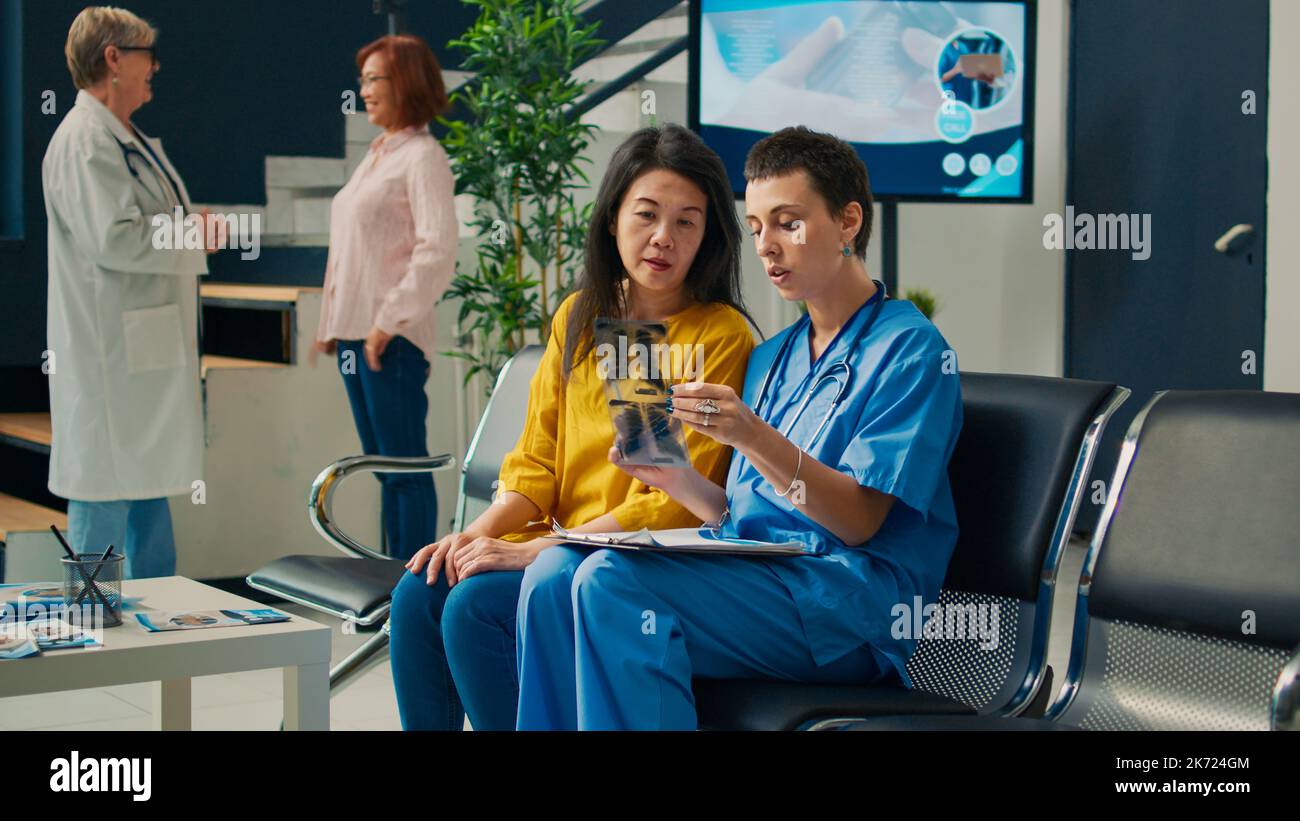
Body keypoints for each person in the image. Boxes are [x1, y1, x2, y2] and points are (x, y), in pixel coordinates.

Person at [513, 126, 963, 730]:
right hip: (762, 579)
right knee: (554, 576)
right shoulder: (775, 356)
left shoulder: (910, 352)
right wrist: (677, 480)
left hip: (847, 609)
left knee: (612, 585)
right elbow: (742, 516)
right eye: (755, 228)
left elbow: (858, 523)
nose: (767, 246)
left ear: (849, 222)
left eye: (787, 223)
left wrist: (753, 436)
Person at [389, 124, 758, 730]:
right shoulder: (583, 314)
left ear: (708, 237)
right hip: (554, 542)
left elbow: (666, 503)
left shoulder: (718, 334)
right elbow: (535, 461)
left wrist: (537, 550)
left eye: (686, 222)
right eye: (646, 215)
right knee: (421, 589)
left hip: (620, 564)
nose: (662, 238)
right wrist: (472, 537)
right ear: (613, 219)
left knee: (475, 607)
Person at [43, 6, 223, 578]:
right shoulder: (83, 141)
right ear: (114, 59)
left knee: (146, 482)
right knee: (104, 487)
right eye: (146, 55)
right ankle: (92, 635)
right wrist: (193, 232)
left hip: (138, 355)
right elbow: (113, 238)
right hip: (107, 358)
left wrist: (189, 225)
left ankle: (159, 630)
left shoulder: (124, 137)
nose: (155, 67)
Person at [314, 35, 457, 561]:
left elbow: (438, 250)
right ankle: (391, 589)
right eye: (364, 79)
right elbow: (353, 248)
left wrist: (385, 323)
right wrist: (334, 325)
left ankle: (413, 592)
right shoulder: (379, 154)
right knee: (383, 471)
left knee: (403, 470)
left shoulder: (422, 157)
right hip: (358, 337)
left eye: (374, 79)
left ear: (407, 84)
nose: (364, 90)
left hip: (389, 341)